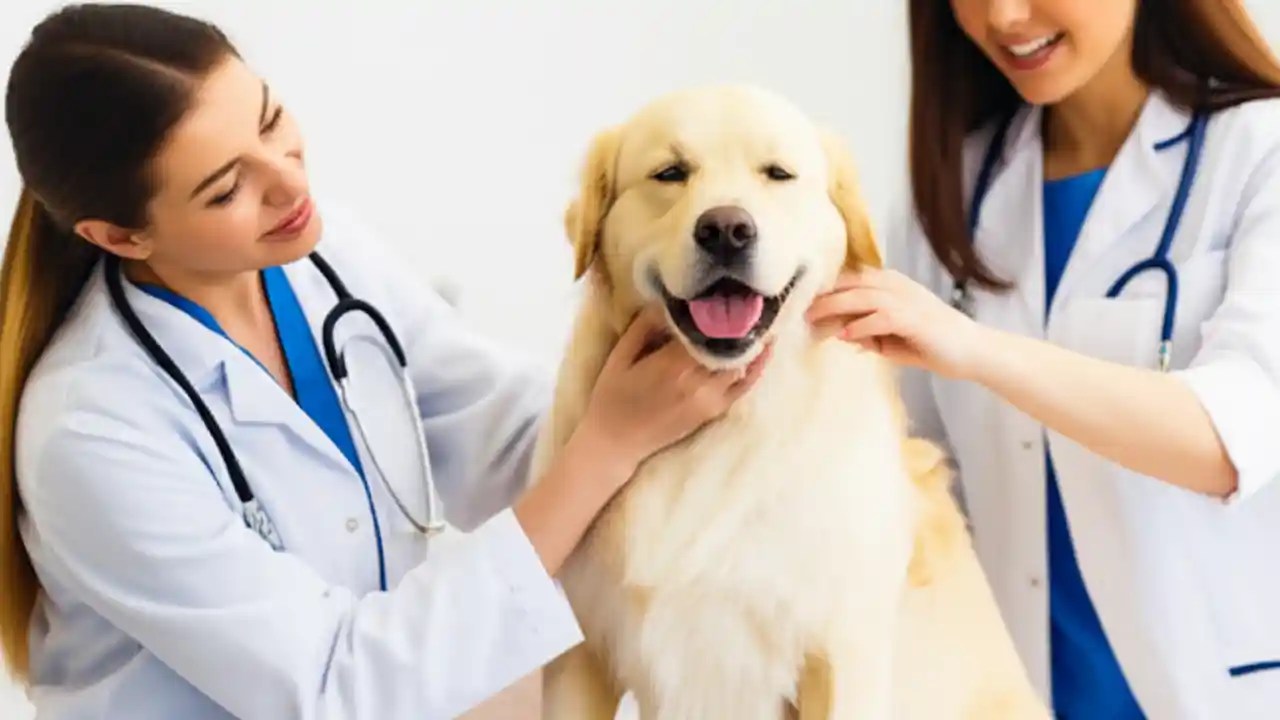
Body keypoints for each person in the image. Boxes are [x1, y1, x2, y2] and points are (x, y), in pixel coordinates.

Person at [0, 5, 768, 719]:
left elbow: (503, 432)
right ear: (119, 236)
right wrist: (605, 446)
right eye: (229, 187)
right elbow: (335, 683)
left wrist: (743, 350)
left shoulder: (320, 262)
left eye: (270, 120)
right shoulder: (90, 430)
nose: (290, 181)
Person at [808, 0, 1280, 717]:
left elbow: (1233, 438)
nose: (1002, 16)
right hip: (1007, 693)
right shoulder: (955, 189)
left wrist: (975, 349)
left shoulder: (1260, 152)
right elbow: (918, 475)